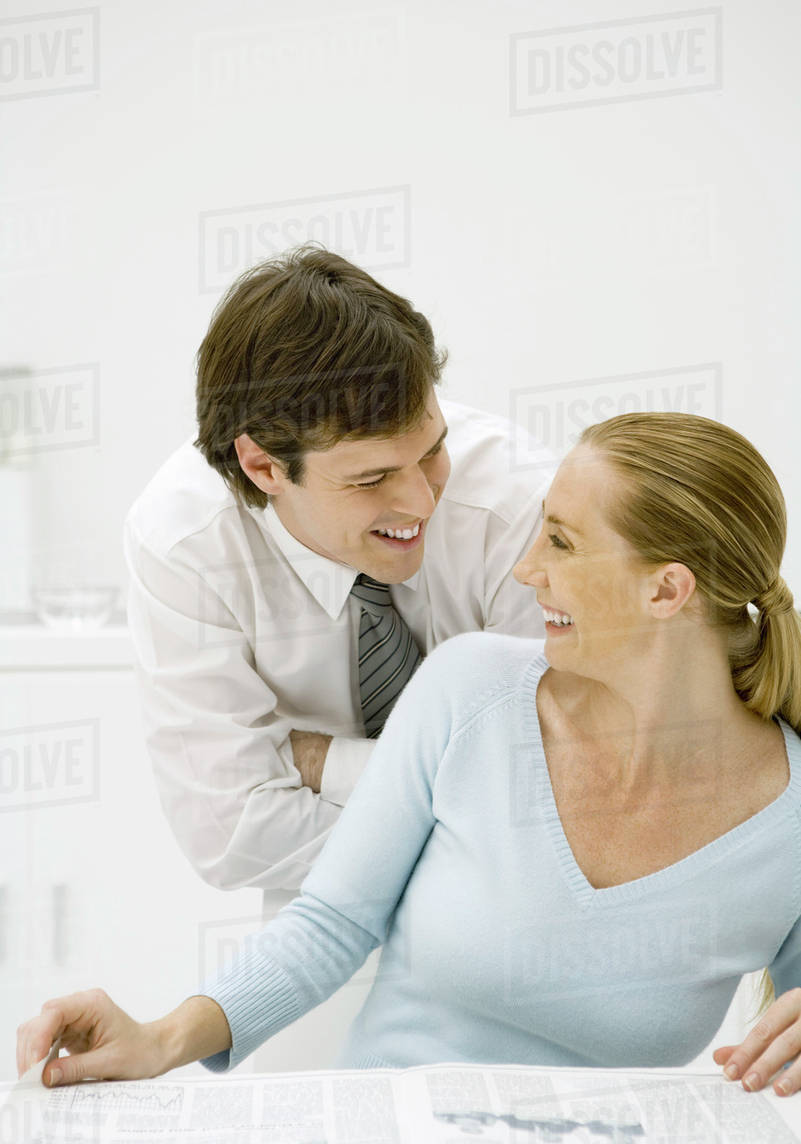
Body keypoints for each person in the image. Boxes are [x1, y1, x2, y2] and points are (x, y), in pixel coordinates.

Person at [18, 412, 801, 1098]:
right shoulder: (471, 687)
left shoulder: (788, 824)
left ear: (665, 592)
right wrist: (158, 1040)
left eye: (560, 542)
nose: (527, 570)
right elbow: (328, 925)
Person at [124, 245, 553, 894]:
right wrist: (473, 833)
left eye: (432, 452)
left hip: (528, 902)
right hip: (322, 903)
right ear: (264, 467)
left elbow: (552, 783)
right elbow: (234, 837)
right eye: (372, 478)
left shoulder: (516, 501)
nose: (421, 500)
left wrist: (323, 764)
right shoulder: (184, 541)